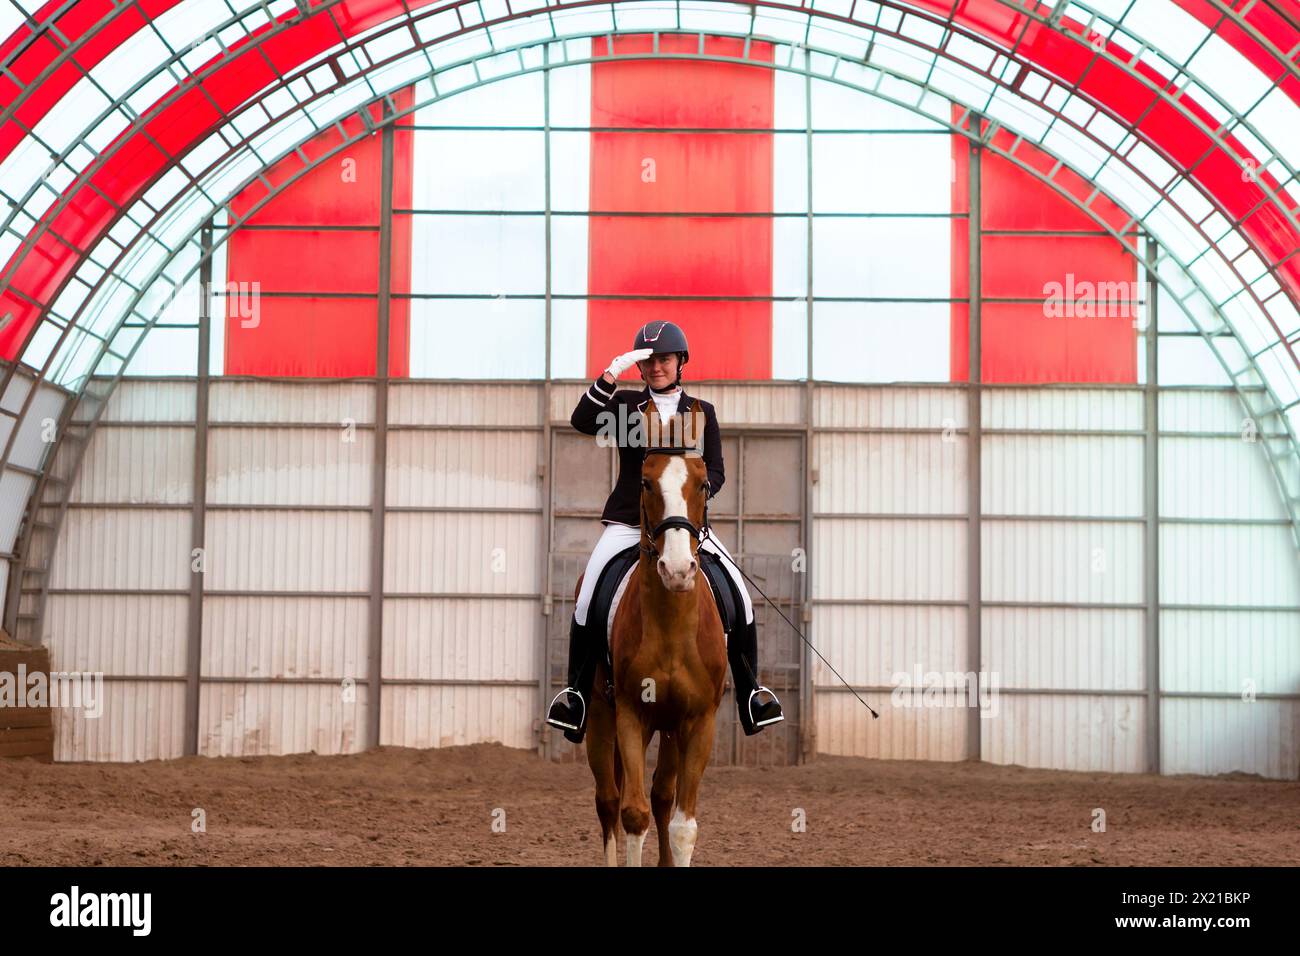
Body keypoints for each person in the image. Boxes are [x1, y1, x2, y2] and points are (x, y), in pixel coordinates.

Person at [545, 320, 784, 743]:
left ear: (680, 363)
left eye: (665, 359)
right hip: (628, 522)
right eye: (649, 360)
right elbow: (582, 420)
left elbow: (717, 470)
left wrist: (689, 498)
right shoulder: (625, 409)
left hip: (687, 527)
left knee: (740, 598)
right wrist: (609, 376)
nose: (657, 367)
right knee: (587, 597)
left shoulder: (701, 413)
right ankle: (576, 696)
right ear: (640, 366)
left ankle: (751, 692)